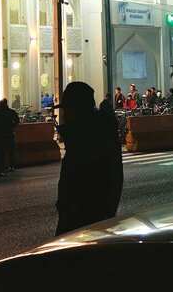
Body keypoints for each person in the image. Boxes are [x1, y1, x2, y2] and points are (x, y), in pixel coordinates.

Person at [54, 81, 123, 236]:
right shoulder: (89, 137)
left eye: (67, 110)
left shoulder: (86, 143)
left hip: (82, 229)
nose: (64, 115)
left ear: (78, 109)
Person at [0, 98, 19, 172]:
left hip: (1, 134)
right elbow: (17, 121)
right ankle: (11, 166)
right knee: (11, 151)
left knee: (1, 152)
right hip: (10, 133)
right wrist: (11, 126)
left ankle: (2, 166)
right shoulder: (11, 112)